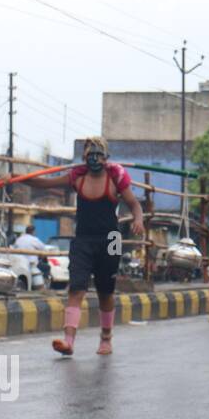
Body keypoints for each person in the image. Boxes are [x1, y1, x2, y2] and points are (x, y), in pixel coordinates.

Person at [28, 137, 145, 356]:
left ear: (105, 158)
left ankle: (106, 338)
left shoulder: (115, 177)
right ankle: (68, 341)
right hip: (83, 239)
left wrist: (138, 219)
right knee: (76, 288)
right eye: (90, 155)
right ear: (84, 158)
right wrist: (16, 179)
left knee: (105, 291)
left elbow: (134, 205)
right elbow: (44, 182)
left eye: (99, 155)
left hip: (111, 239)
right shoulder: (76, 177)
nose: (94, 159)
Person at [14, 223, 50, 288]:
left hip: (19, 263)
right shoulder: (34, 240)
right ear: (33, 231)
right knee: (46, 267)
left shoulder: (19, 239)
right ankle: (44, 284)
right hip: (31, 263)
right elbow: (43, 248)